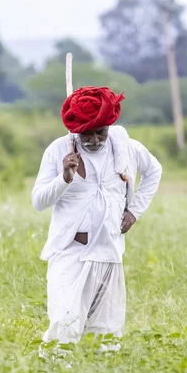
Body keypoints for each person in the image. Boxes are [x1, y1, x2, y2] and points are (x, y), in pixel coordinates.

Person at [31, 86, 162, 348]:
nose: (93, 140)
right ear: (75, 130)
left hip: (109, 251)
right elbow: (38, 202)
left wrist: (134, 211)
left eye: (99, 132)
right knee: (64, 323)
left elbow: (154, 171)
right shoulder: (58, 151)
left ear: (109, 126)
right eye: (85, 134)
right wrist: (64, 178)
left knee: (106, 332)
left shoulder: (126, 148)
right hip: (71, 253)